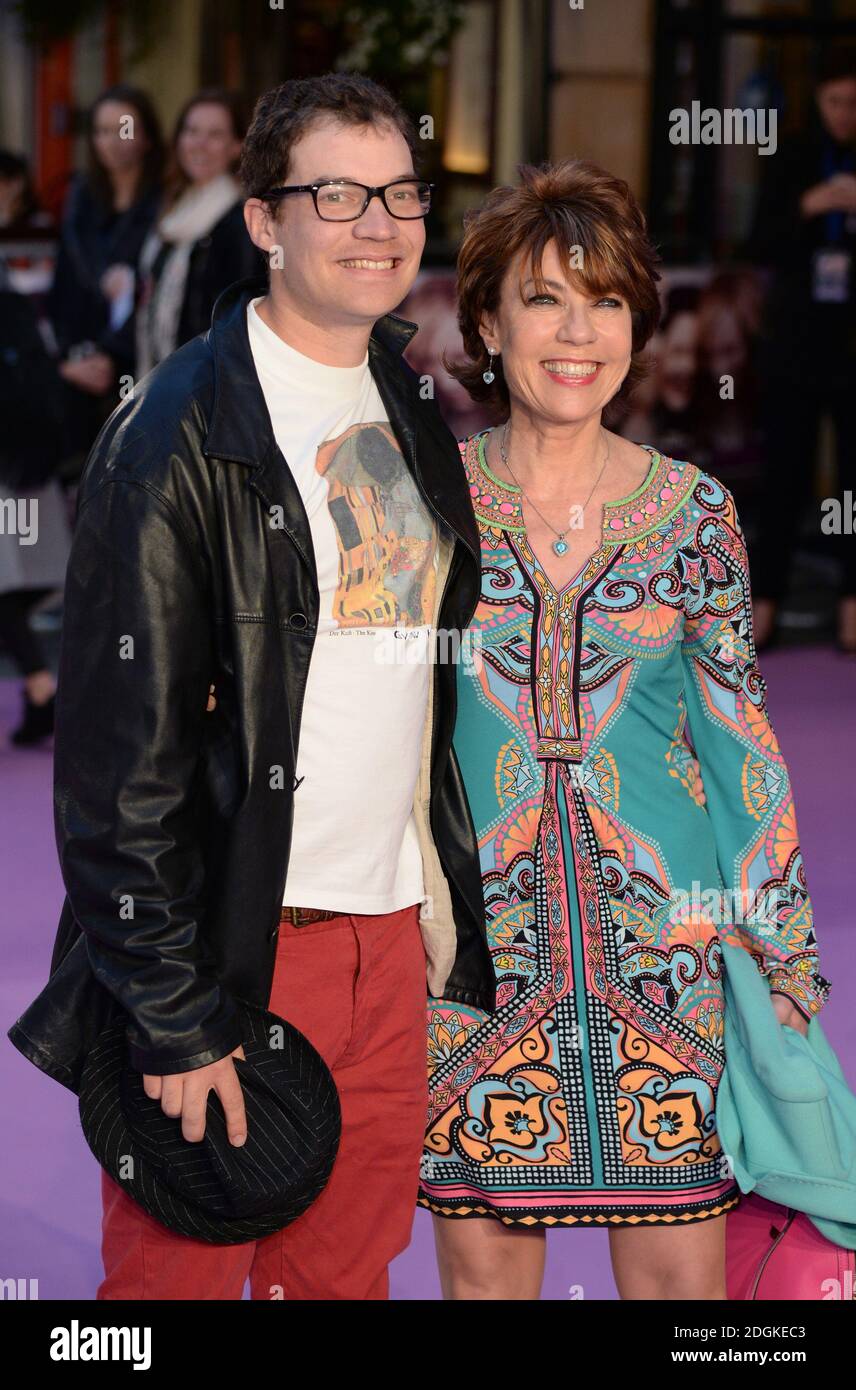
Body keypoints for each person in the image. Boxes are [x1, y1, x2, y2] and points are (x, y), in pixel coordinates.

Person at [7, 72, 494, 1301]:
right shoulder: (173, 432)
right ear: (265, 222)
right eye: (336, 192)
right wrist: (173, 1013)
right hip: (234, 939)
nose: (378, 221)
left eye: (399, 192)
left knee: (344, 1277)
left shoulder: (407, 399)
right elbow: (115, 773)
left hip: (386, 936)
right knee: (175, 1288)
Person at [415, 159, 831, 1300]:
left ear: (637, 325)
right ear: (488, 319)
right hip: (479, 970)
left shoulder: (695, 513)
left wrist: (779, 948)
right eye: (545, 296)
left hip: (670, 962)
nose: (577, 331)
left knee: (678, 1300)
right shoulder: (427, 511)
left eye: (605, 300)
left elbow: (738, 743)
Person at [747, 46, 856, 653]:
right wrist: (813, 204)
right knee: (785, 473)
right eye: (837, 102)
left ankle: (850, 609)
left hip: (851, 344)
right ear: (819, 102)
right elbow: (758, 241)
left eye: (854, 104)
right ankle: (766, 605)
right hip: (796, 344)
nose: (845, 114)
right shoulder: (792, 159)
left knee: (851, 483)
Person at [47, 85, 164, 459]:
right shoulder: (81, 197)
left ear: (146, 137)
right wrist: (68, 360)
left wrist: (111, 355)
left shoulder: (166, 200)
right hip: (78, 361)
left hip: (142, 360)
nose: (112, 141)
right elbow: (64, 285)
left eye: (124, 129)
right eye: (101, 130)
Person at [135, 89, 261, 377]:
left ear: (236, 146)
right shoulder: (171, 208)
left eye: (215, 135)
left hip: (205, 381)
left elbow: (237, 317)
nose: (199, 144)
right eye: (192, 131)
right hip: (158, 372)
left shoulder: (241, 220)